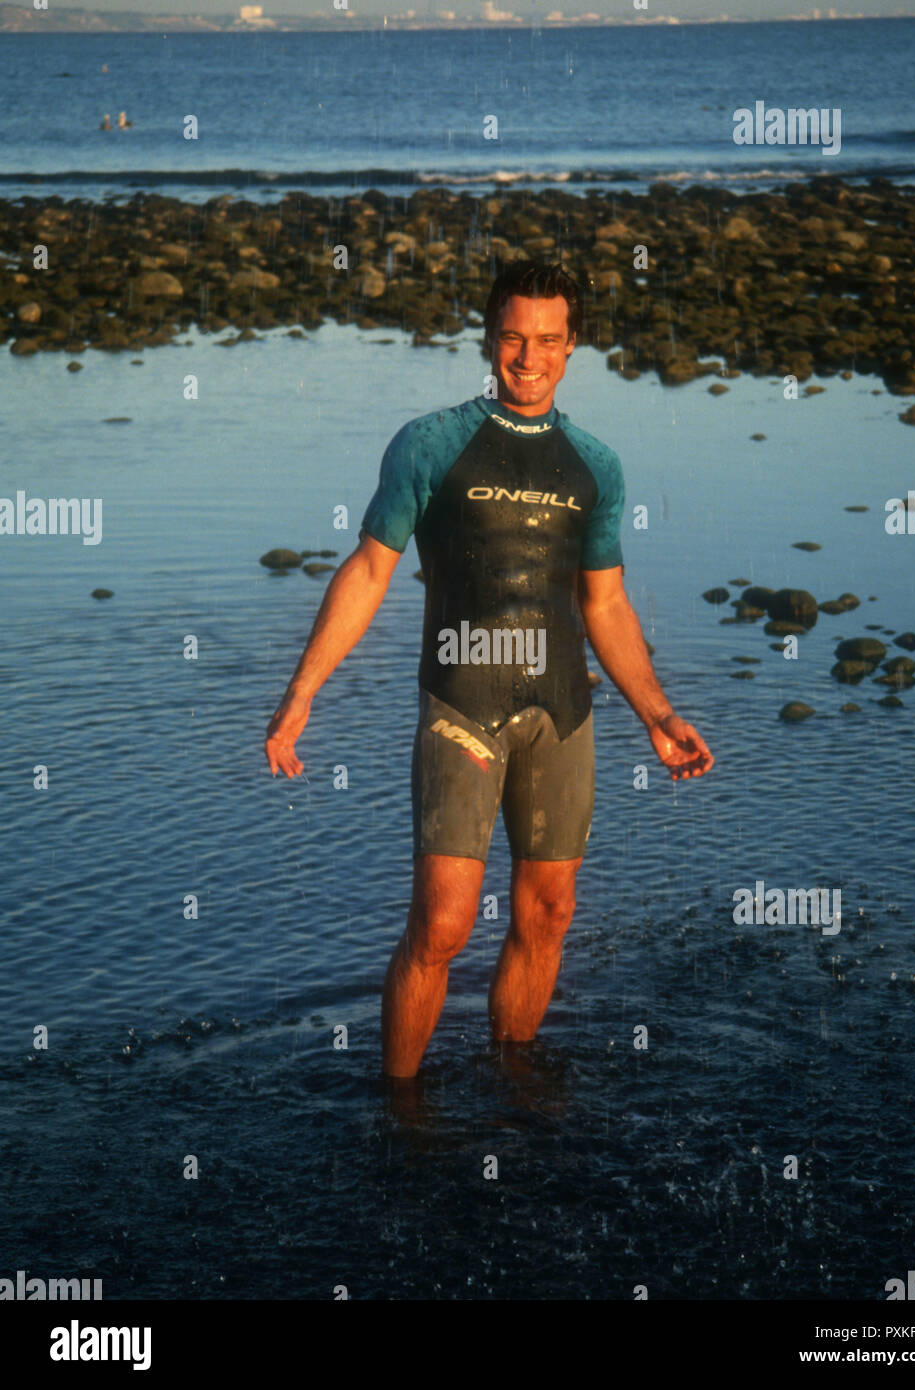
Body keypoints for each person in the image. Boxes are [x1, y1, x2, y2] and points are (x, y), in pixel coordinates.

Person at [265, 261, 713, 1078]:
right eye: (513, 337)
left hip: (561, 713)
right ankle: (399, 1111)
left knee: (548, 914)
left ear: (572, 346)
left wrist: (656, 713)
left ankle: (513, 1083)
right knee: (442, 925)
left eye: (548, 339)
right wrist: (301, 697)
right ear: (488, 338)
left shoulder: (595, 467)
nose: (529, 356)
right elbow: (369, 569)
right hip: (460, 706)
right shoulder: (430, 445)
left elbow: (605, 605)